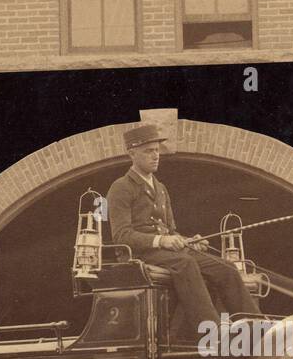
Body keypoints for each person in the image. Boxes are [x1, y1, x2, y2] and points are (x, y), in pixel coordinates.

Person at [105, 123, 260, 341]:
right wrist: (162, 240)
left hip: (166, 252)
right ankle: (212, 330)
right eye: (148, 151)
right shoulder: (121, 187)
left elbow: (170, 230)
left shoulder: (160, 188)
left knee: (226, 267)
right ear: (132, 153)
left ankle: (257, 326)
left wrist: (188, 241)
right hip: (140, 253)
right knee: (186, 264)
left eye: (157, 150)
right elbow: (121, 236)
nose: (155, 156)